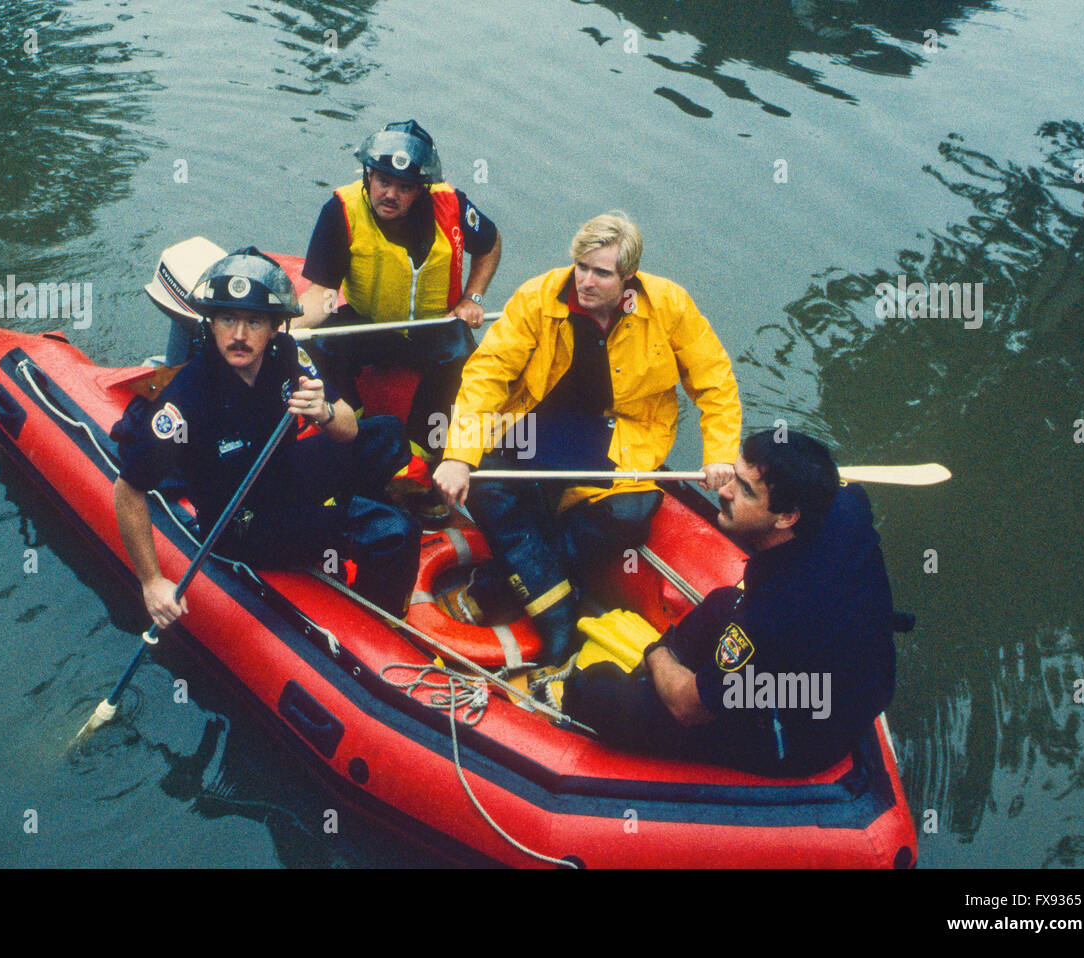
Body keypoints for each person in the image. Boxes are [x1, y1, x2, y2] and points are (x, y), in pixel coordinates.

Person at [432, 212, 741, 666]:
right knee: (485, 483)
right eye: (581, 266)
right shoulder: (539, 297)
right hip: (538, 422)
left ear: (628, 276)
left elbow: (715, 384)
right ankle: (558, 611)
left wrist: (719, 456)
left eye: (601, 272)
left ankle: (500, 585)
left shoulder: (670, 305)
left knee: (632, 514)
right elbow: (487, 374)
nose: (586, 281)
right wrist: (459, 454)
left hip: (622, 433)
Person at [562, 430, 897, 777]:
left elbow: (685, 707)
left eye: (745, 491)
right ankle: (677, 675)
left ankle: (618, 694)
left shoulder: (775, 615)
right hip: (850, 679)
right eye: (734, 476)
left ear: (787, 518)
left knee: (597, 690)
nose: (724, 491)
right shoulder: (849, 506)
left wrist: (654, 653)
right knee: (723, 601)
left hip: (796, 732)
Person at [113, 247, 420, 626]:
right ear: (210, 322)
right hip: (241, 524)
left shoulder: (286, 354)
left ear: (275, 327)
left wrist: (324, 412)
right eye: (227, 319)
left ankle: (343, 530)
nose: (239, 336)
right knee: (393, 529)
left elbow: (348, 428)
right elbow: (128, 489)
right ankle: (385, 625)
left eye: (254, 322)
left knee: (387, 435)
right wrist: (151, 581)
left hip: (281, 477)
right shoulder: (186, 400)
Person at [297, 119, 502, 463]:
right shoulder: (340, 211)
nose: (390, 194)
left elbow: (490, 243)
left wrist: (473, 297)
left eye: (404, 187)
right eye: (383, 181)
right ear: (368, 176)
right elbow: (321, 295)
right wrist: (288, 331)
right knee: (322, 340)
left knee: (462, 354)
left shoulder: (451, 204)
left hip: (433, 328)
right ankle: (352, 425)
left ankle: (421, 458)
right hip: (369, 325)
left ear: (421, 189)